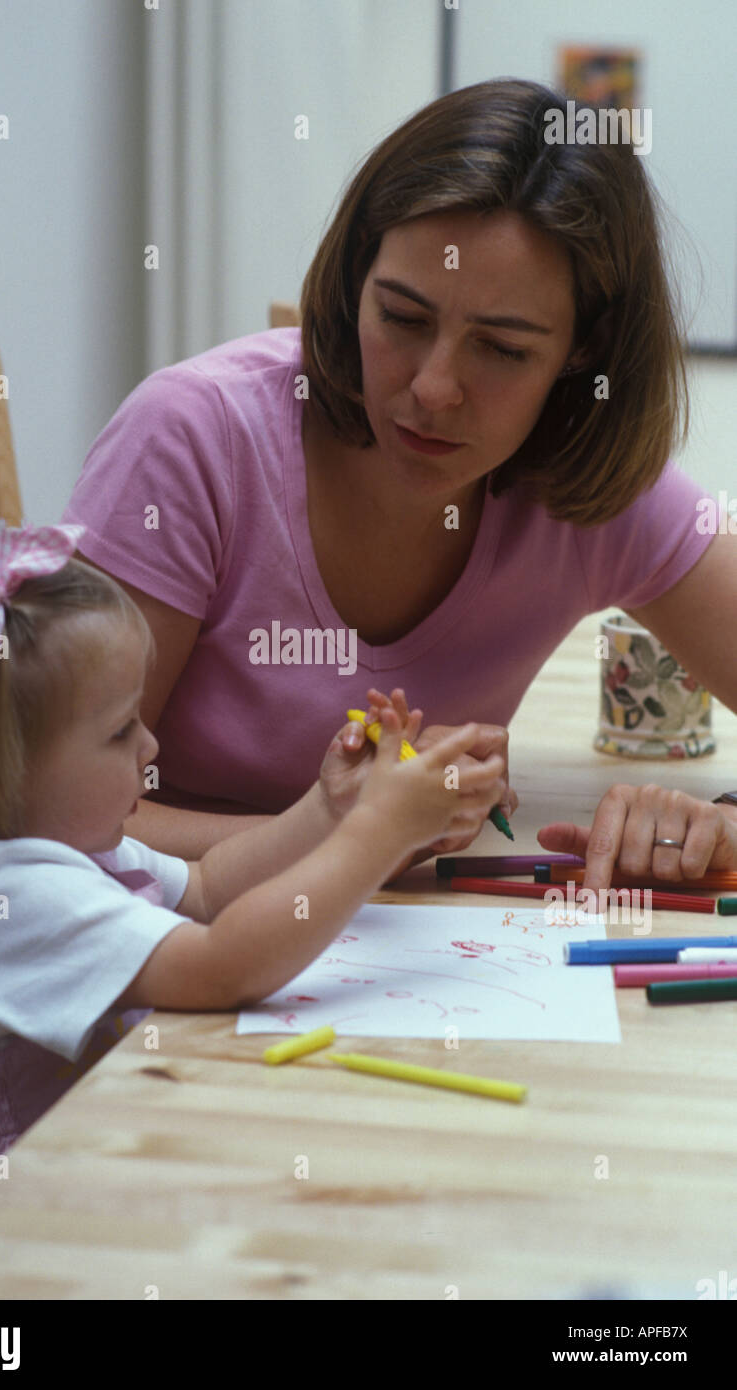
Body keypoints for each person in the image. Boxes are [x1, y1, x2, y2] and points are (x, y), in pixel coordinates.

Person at [60, 77, 737, 885]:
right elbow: (47, 817)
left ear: (584, 352)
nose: (432, 389)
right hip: (151, 969)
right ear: (354, 281)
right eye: (404, 319)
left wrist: (723, 827)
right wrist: (351, 839)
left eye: (503, 349)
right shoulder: (192, 440)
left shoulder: (586, 480)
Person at [0, 515, 504, 1239]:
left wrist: (329, 807)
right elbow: (223, 965)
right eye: (118, 732)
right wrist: (378, 833)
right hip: (5, 1232)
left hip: (84, 1154)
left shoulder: (48, 842)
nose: (151, 744)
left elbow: (205, 889)